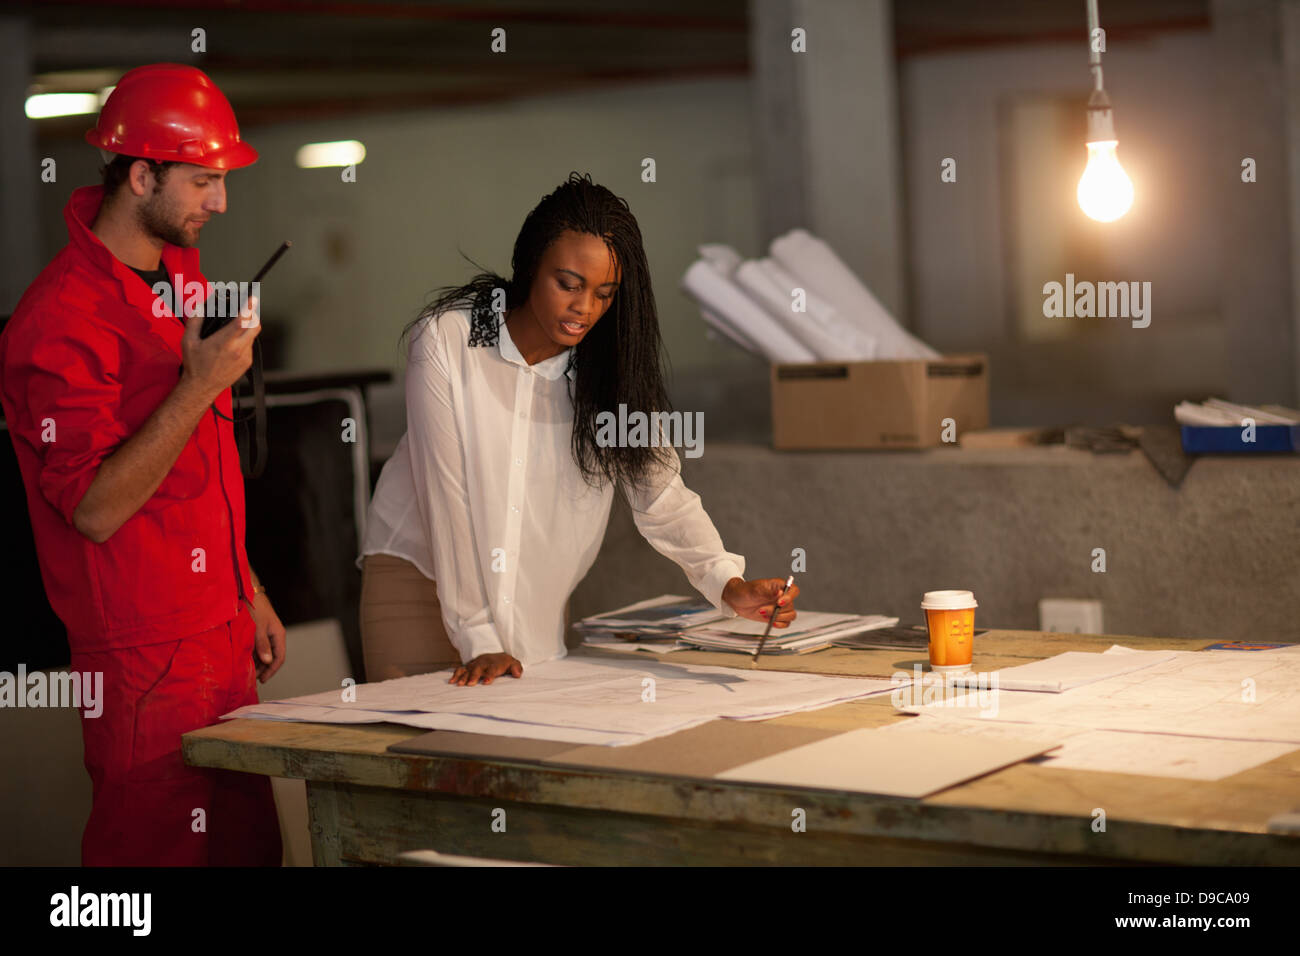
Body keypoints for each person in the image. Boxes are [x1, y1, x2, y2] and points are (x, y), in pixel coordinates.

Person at [358, 172, 800, 687]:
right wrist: (480, 637)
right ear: (529, 267)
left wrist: (727, 583)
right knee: (408, 757)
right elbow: (448, 496)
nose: (584, 308)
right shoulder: (448, 340)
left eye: (604, 293)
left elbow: (661, 496)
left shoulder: (609, 373)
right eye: (567, 284)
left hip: (534, 605)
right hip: (421, 584)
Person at [0, 63, 283, 865]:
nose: (220, 202)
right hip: (145, 659)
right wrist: (198, 386)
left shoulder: (178, 276)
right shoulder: (58, 322)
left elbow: (198, 468)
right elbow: (93, 508)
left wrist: (245, 585)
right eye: (203, 181)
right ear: (140, 173)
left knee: (249, 851)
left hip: (221, 633)